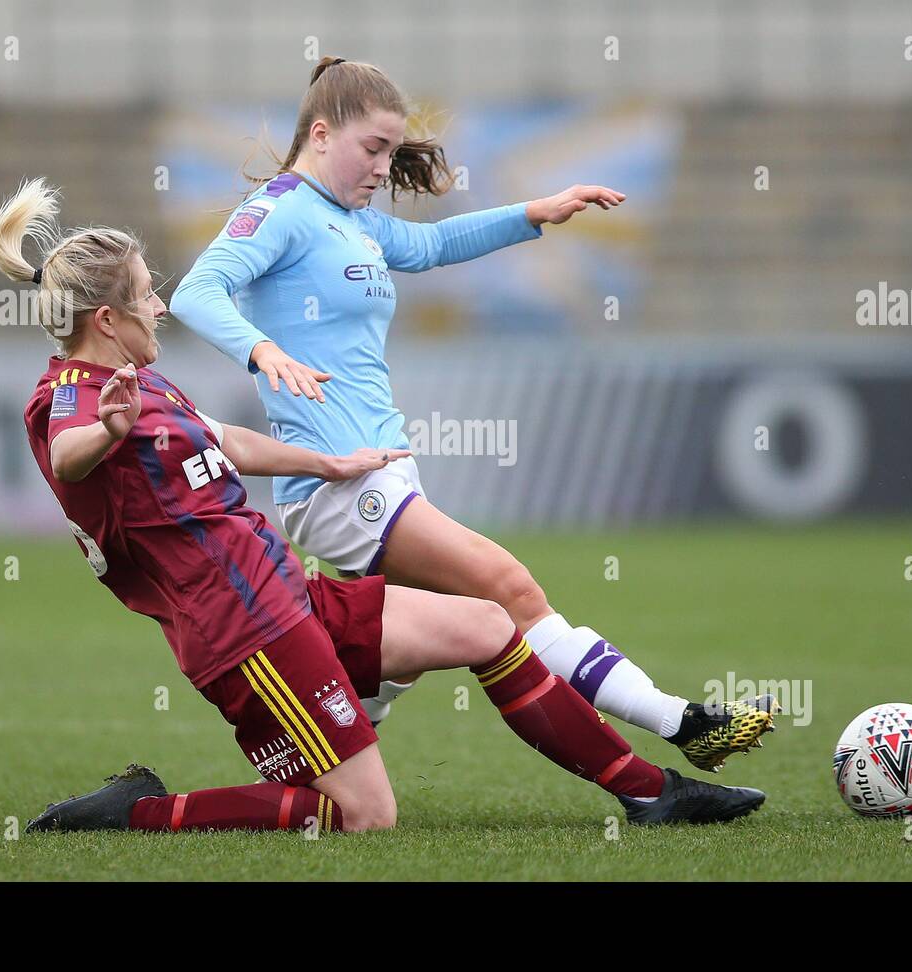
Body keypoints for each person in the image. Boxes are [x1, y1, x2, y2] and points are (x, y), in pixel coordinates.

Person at [0, 178, 766, 833]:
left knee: (488, 623)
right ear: (106, 320)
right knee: (363, 816)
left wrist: (327, 462)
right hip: (245, 638)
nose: (160, 306)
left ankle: (649, 793)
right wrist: (105, 432)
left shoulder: (142, 380)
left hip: (285, 595)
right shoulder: (69, 398)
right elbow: (66, 454)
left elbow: (223, 438)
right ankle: (138, 813)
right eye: (147, 294)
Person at [169, 56, 779, 768]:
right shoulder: (278, 211)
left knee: (412, 646)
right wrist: (262, 351)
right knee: (508, 590)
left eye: (392, 152)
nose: (382, 166)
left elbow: (430, 245)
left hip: (385, 470)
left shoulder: (351, 221)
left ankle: (310, 757)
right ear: (324, 132)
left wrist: (533, 214)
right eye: (373, 149)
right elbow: (196, 293)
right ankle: (683, 724)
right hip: (339, 481)